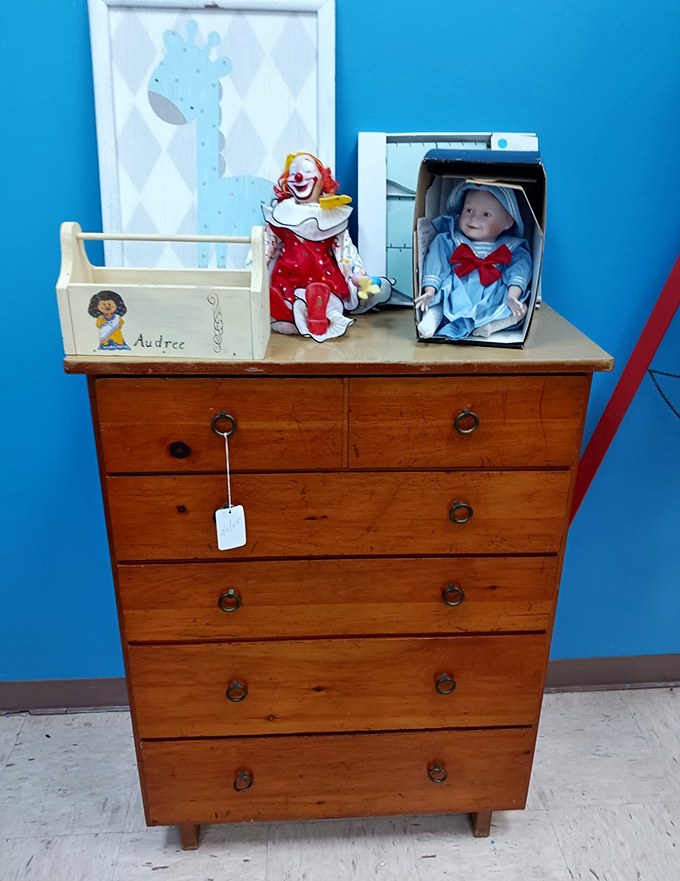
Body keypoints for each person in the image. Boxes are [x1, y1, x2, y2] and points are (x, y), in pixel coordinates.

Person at [262, 152, 390, 342]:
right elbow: (266, 246)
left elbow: (345, 252)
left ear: (324, 179)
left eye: (307, 170)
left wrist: (358, 276)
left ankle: (318, 315)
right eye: (294, 172)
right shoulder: (281, 213)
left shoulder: (332, 217)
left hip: (323, 278)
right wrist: (252, 271)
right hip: (288, 279)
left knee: (322, 294)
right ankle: (287, 312)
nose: (299, 177)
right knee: (287, 299)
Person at [415, 182, 532, 340]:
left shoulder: (510, 247)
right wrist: (430, 290)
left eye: (486, 215)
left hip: (492, 297)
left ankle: (490, 326)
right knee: (439, 297)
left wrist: (513, 295)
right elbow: (437, 260)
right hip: (457, 291)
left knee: (522, 309)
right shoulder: (451, 239)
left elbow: (520, 268)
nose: (474, 218)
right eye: (469, 210)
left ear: (508, 222)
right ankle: (431, 320)